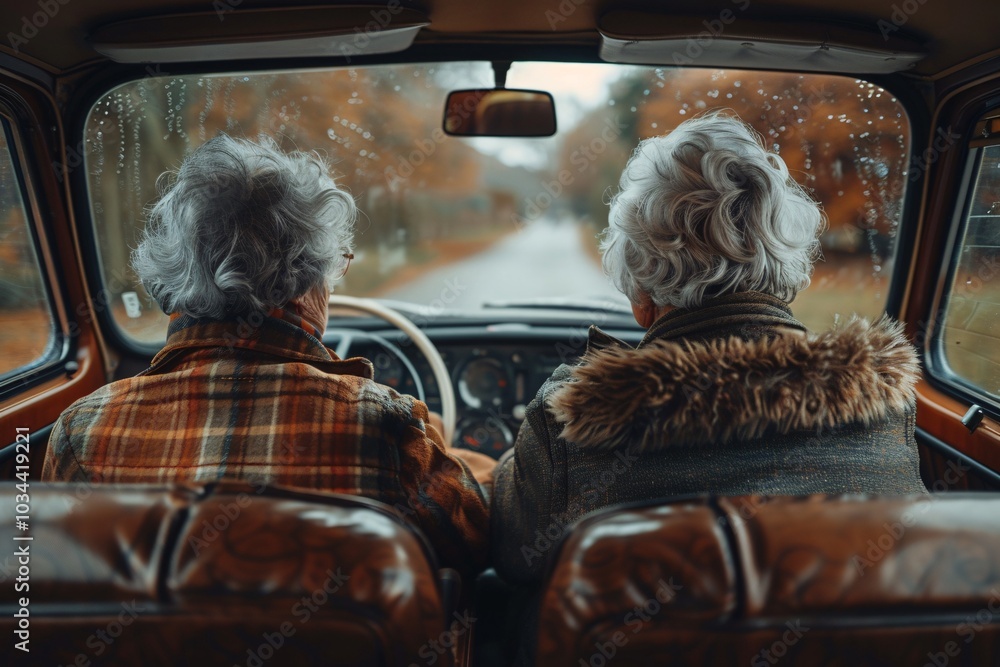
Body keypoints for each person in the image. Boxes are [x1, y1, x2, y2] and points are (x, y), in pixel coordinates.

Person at [491, 111, 927, 661]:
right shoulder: (885, 405)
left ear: (641, 298)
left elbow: (511, 555)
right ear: (786, 272)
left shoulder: (574, 420)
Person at [42, 134, 492, 575]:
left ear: (172, 275)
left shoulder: (81, 429)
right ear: (305, 278)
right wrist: (442, 448)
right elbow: (477, 544)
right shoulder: (379, 424)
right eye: (335, 268)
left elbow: (58, 581)